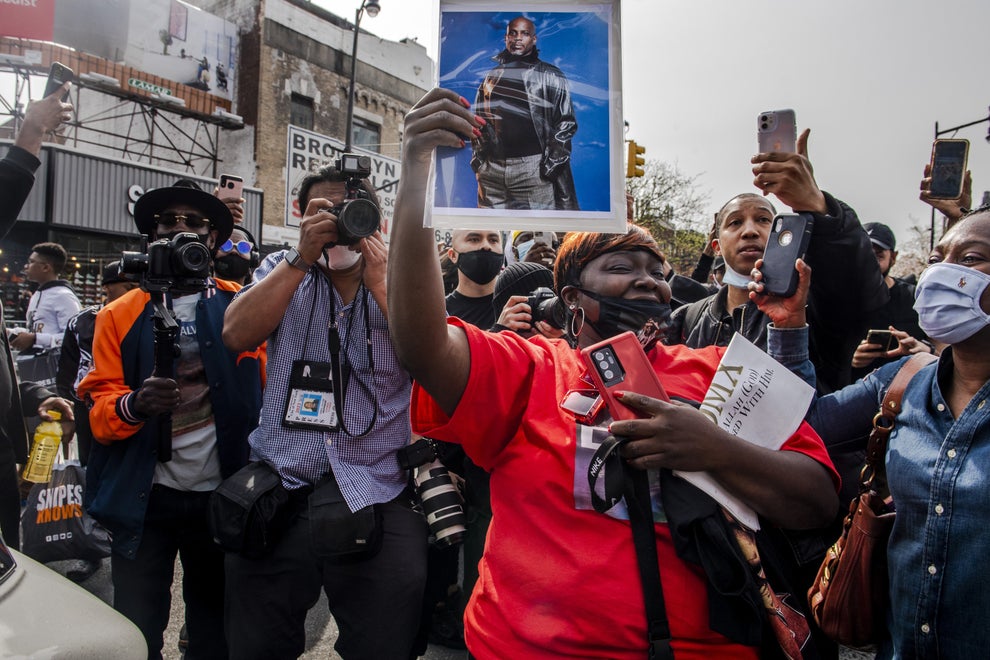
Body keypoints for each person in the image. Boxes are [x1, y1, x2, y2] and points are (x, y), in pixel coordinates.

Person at [386, 89, 839, 659]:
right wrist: (415, 172)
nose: (648, 280)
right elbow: (421, 345)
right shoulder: (532, 369)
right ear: (573, 295)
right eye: (621, 266)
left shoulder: (718, 369)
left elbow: (816, 500)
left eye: (657, 270)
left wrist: (712, 448)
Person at [757, 205, 990, 659]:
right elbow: (802, 429)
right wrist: (788, 323)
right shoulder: (904, 380)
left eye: (970, 259)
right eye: (938, 257)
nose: (942, 272)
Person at [221, 164, 427, 660]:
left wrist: (382, 281)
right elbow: (235, 334)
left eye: (353, 209)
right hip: (282, 487)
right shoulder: (282, 266)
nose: (341, 220)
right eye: (325, 210)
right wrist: (300, 257)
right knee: (256, 647)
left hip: (378, 488)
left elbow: (431, 361)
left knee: (384, 646)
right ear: (301, 214)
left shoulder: (404, 276)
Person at [77, 179, 264, 659]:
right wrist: (134, 405)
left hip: (221, 499)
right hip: (145, 500)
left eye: (195, 223)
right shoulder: (117, 315)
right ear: (150, 236)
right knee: (137, 627)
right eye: (167, 221)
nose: (179, 230)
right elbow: (98, 408)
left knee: (213, 629)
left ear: (213, 240)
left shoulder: (242, 306)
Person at [666, 130, 888, 396]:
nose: (749, 231)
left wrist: (816, 206)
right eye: (735, 222)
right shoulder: (687, 319)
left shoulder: (811, 309)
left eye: (763, 220)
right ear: (716, 246)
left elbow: (859, 289)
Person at [0, 83, 76, 548]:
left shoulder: (62, 296)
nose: (23, 266)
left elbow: (66, 336)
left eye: (31, 263)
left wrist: (36, 397)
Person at [54, 261, 139, 582]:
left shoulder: (149, 314)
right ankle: (90, 549)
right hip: (90, 413)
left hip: (133, 413)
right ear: (108, 288)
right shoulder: (83, 321)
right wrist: (67, 411)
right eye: (123, 287)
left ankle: (127, 546)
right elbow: (68, 370)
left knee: (128, 482)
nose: (130, 292)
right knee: (92, 479)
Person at [472, 16, 578, 210]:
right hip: (492, 170)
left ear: (534, 39)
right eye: (513, 33)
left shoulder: (551, 75)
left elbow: (566, 123)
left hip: (533, 169)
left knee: (540, 236)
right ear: (506, 38)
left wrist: (549, 167)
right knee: (488, 235)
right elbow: (479, 120)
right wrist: (480, 160)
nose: (518, 38)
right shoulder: (491, 77)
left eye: (524, 33)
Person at [850, 222, 932, 380]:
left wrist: (925, 349)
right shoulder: (837, 299)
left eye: (878, 255)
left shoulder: (916, 298)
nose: (869, 263)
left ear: (893, 258)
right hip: (853, 391)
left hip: (907, 390)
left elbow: (944, 349)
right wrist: (850, 360)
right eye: (864, 254)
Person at [10, 242, 81, 353]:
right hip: (34, 365)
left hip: (55, 367)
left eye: (31, 262)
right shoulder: (36, 295)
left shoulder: (64, 296)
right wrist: (13, 333)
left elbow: (76, 337)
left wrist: (35, 339)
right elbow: (38, 330)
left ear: (45, 267)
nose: (26, 266)